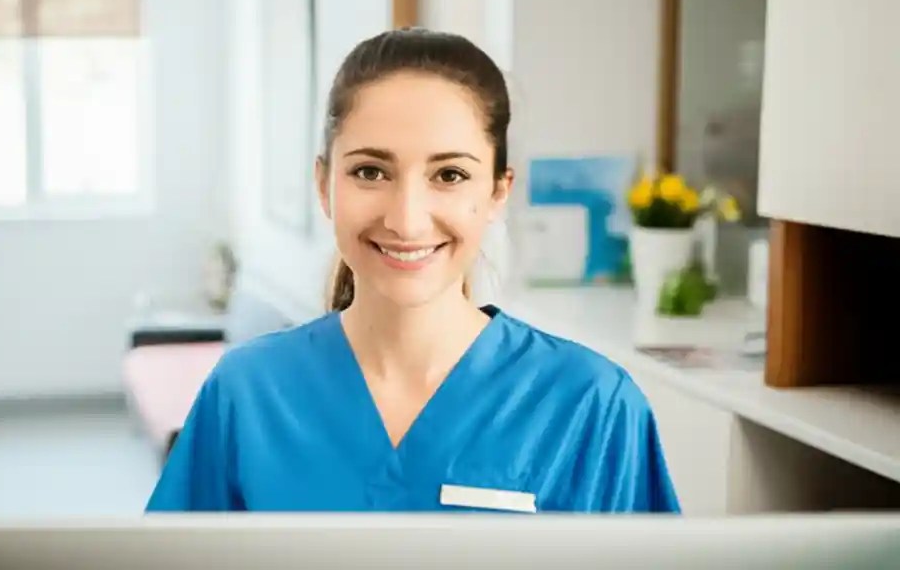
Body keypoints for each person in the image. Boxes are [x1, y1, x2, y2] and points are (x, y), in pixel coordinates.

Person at [145, 28, 680, 513]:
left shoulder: (591, 405)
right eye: (371, 171)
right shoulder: (248, 394)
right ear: (324, 185)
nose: (406, 219)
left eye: (449, 174)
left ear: (498, 192)